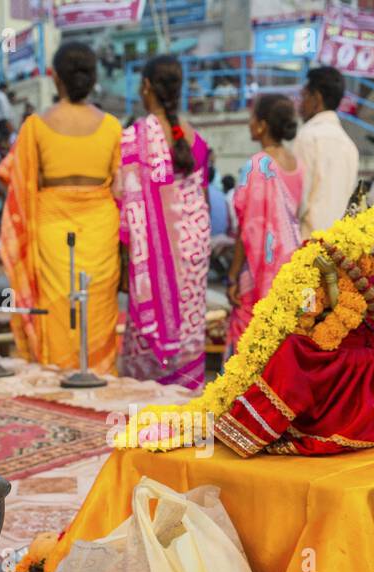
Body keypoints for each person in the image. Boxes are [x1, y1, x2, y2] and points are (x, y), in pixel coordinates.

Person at [0, 41, 122, 372]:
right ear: (93, 78)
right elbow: (121, 185)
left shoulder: (35, 125)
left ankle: (58, 374)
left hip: (53, 227)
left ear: (55, 79)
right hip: (100, 227)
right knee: (96, 303)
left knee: (57, 303)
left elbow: (15, 179)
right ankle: (98, 373)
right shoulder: (112, 126)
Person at [116, 54, 211, 389]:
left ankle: (147, 407)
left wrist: (125, 258)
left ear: (145, 88)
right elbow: (203, 197)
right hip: (193, 251)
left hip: (155, 256)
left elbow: (126, 203)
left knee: (149, 328)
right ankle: (185, 401)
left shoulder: (134, 138)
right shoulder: (196, 137)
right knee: (188, 328)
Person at [225, 93, 305, 356]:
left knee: (248, 335)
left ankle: (244, 394)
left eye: (251, 118)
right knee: (279, 337)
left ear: (262, 125)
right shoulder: (296, 164)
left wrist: (233, 274)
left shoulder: (257, 165)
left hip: (257, 268)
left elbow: (246, 228)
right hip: (290, 264)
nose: (249, 124)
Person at [294, 66, 358, 235]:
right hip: (339, 248)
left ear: (316, 98)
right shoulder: (349, 145)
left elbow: (298, 201)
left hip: (309, 247)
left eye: (304, 96)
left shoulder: (307, 137)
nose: (300, 104)